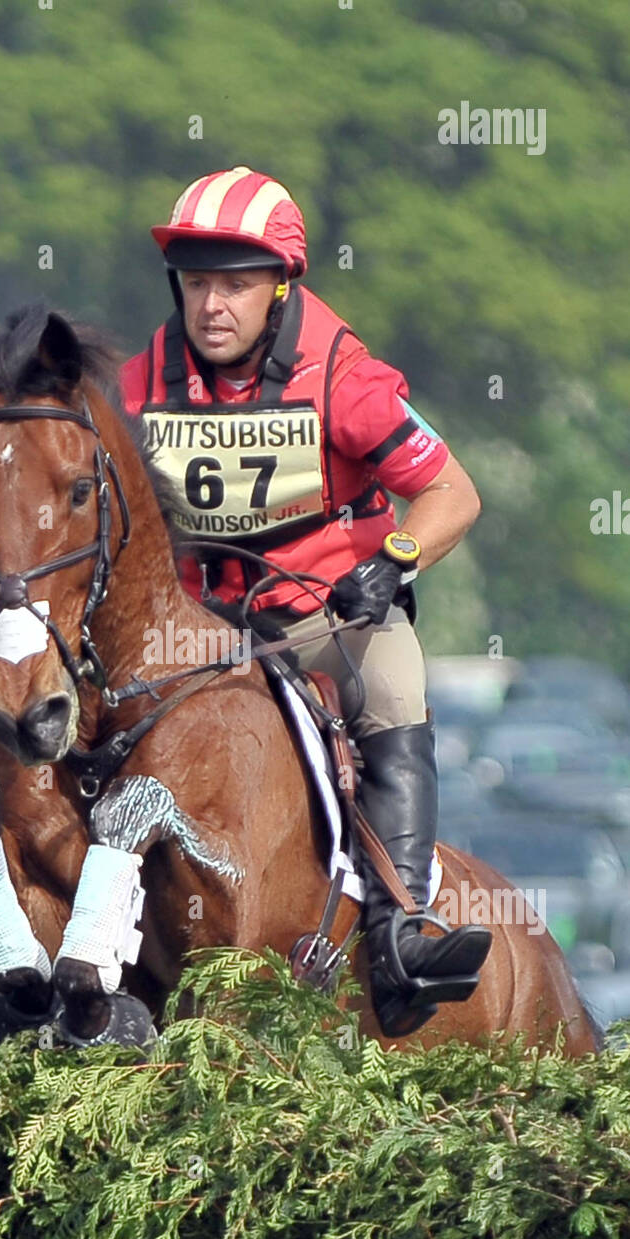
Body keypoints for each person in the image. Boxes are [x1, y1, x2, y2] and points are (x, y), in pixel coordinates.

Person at [119, 165, 492, 1037]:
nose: (212, 304)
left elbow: (455, 495)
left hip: (327, 619)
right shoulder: (141, 386)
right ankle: (24, 958)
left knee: (394, 687)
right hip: (199, 637)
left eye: (236, 284)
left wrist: (395, 561)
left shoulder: (344, 378)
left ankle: (400, 933)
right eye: (198, 281)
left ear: (281, 285)